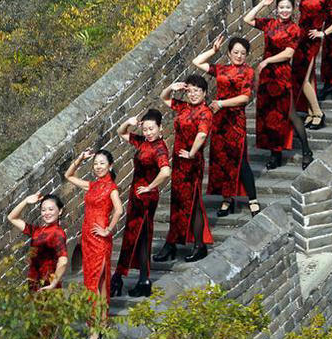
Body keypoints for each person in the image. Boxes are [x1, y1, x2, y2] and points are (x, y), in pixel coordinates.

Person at [192, 35, 260, 217]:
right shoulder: (221, 69)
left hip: (236, 120)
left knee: (240, 160)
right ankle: (227, 199)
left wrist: (222, 103)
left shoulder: (248, 72)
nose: (239, 56)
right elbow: (197, 61)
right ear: (229, 53)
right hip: (219, 121)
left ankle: (252, 199)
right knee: (222, 160)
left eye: (243, 53)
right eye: (235, 52)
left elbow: (245, 98)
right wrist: (213, 51)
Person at [244, 0, 314, 169]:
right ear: (276, 9)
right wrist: (262, 5)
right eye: (281, 7)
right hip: (267, 76)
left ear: (293, 9)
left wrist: (267, 60)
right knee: (269, 115)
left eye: (287, 7)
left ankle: (307, 151)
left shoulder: (294, 29)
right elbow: (247, 19)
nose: (284, 10)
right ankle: (276, 154)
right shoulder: (269, 24)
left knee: (289, 113)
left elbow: (289, 53)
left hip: (281, 73)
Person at [64, 149, 123, 339]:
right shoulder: (92, 185)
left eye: (102, 163)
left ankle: (95, 328)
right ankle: (103, 321)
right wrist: (80, 158)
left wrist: (108, 229)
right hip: (87, 238)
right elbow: (68, 176)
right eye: (96, 163)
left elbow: (119, 209)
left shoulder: (111, 187)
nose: (98, 166)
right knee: (99, 284)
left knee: (93, 284)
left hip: (99, 239)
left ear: (110, 166)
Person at [111, 109, 171, 298]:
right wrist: (129, 122)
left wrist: (150, 187)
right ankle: (126, 276)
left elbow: (166, 172)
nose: (148, 132)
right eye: (145, 129)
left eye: (151, 129)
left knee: (141, 236)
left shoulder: (159, 148)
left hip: (145, 198)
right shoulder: (143, 142)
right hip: (136, 196)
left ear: (160, 128)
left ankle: (140, 279)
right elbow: (120, 133)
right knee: (133, 234)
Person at [154, 75, 213, 263]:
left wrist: (192, 152)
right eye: (191, 90)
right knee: (177, 201)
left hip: (192, 163)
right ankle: (172, 243)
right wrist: (172, 87)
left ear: (204, 93)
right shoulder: (183, 107)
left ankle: (199, 245)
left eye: (198, 91)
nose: (194, 94)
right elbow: (163, 98)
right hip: (179, 162)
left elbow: (202, 135)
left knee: (194, 203)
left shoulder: (205, 112)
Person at [281, 0, 332, 128]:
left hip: (311, 40)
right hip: (299, 38)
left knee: (302, 79)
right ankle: (310, 112)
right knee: (305, 78)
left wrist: (323, 33)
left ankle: (318, 113)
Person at [7, 192, 68, 293]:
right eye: (43, 210)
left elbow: (63, 261)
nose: (47, 213)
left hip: (47, 285)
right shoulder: (37, 231)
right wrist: (26, 200)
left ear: (60, 211)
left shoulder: (57, 233)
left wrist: (53, 283)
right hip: (34, 283)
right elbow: (12, 217)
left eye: (51, 209)